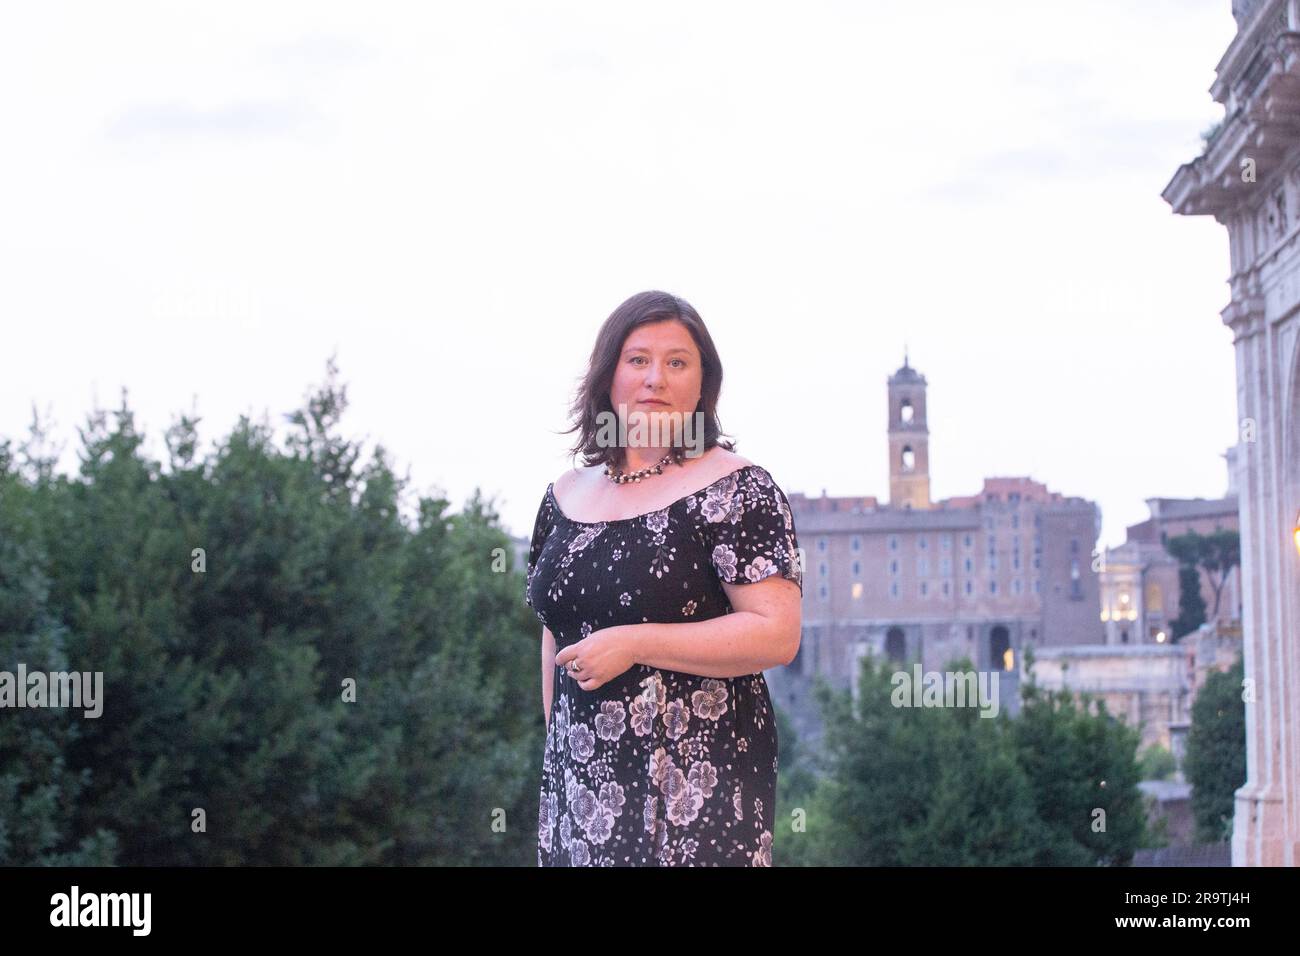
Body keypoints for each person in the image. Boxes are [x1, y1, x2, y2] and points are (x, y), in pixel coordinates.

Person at [524, 290, 803, 866]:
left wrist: (635, 643)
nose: (656, 378)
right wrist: (563, 745)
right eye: (638, 360)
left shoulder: (735, 490)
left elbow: (777, 635)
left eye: (677, 363)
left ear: (702, 387)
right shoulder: (562, 498)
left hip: (698, 791)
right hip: (580, 792)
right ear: (608, 378)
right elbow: (556, 631)